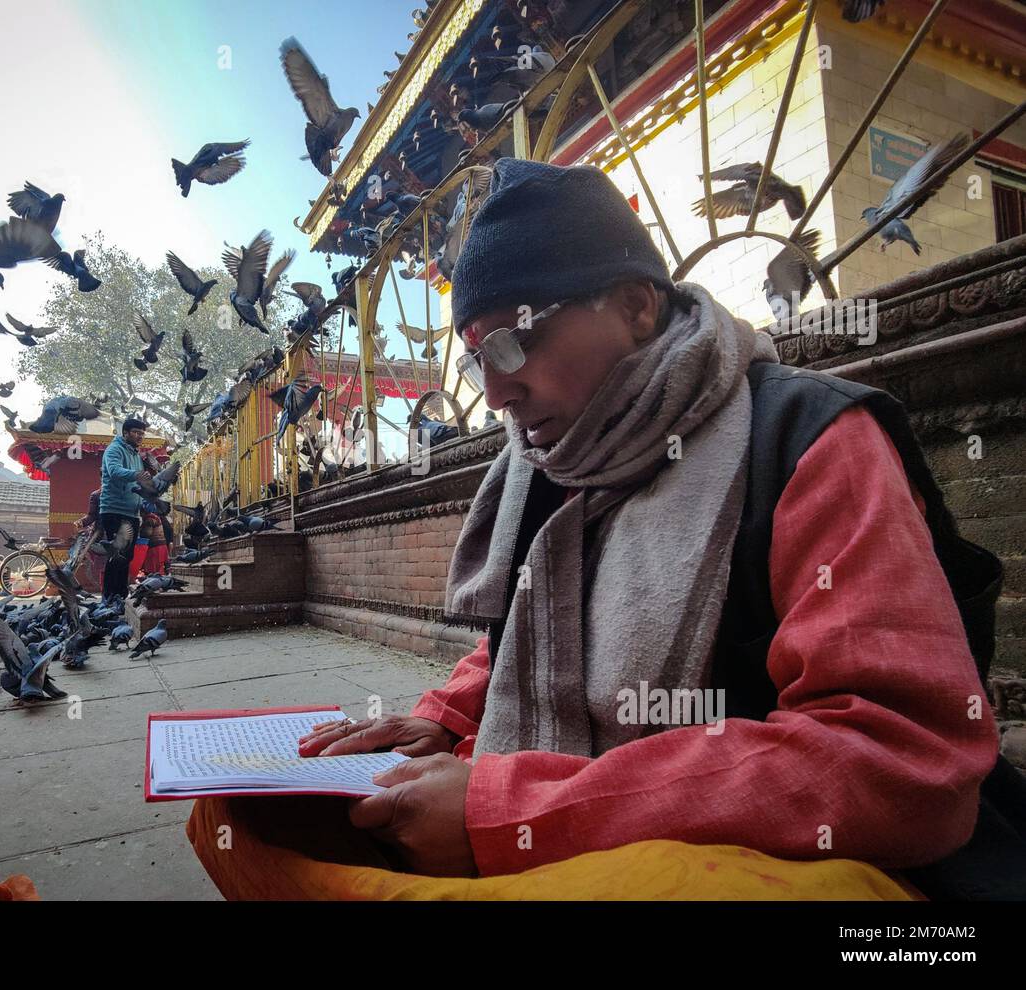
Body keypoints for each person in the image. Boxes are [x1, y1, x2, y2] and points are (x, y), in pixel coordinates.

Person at [199, 158, 1005, 896]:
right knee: (236, 820)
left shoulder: (808, 441)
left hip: (776, 857)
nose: (497, 394)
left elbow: (900, 760)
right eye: (478, 362)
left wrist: (517, 813)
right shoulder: (546, 464)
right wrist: (442, 720)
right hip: (564, 797)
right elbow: (526, 634)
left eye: (517, 342)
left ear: (635, 307)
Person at [99, 419, 151, 599]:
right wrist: (137, 475)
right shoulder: (114, 449)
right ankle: (109, 598)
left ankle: (119, 596)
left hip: (131, 513)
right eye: (136, 432)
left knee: (126, 557)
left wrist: (146, 500)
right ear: (126, 433)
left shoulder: (136, 455)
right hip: (115, 510)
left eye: (142, 434)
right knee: (117, 556)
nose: (140, 437)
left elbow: (138, 484)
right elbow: (114, 471)